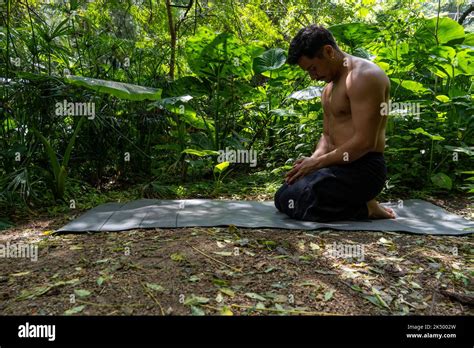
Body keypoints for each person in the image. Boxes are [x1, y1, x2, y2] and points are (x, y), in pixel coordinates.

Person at [274, 24, 396, 222]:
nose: (313, 76)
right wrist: (311, 160)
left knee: (304, 202)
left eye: (313, 68)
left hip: (364, 170)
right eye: (308, 72)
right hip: (334, 166)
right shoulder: (329, 89)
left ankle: (367, 208)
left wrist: (317, 163)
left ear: (328, 51)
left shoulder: (364, 77)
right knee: (282, 197)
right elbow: (327, 136)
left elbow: (366, 142)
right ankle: (359, 203)